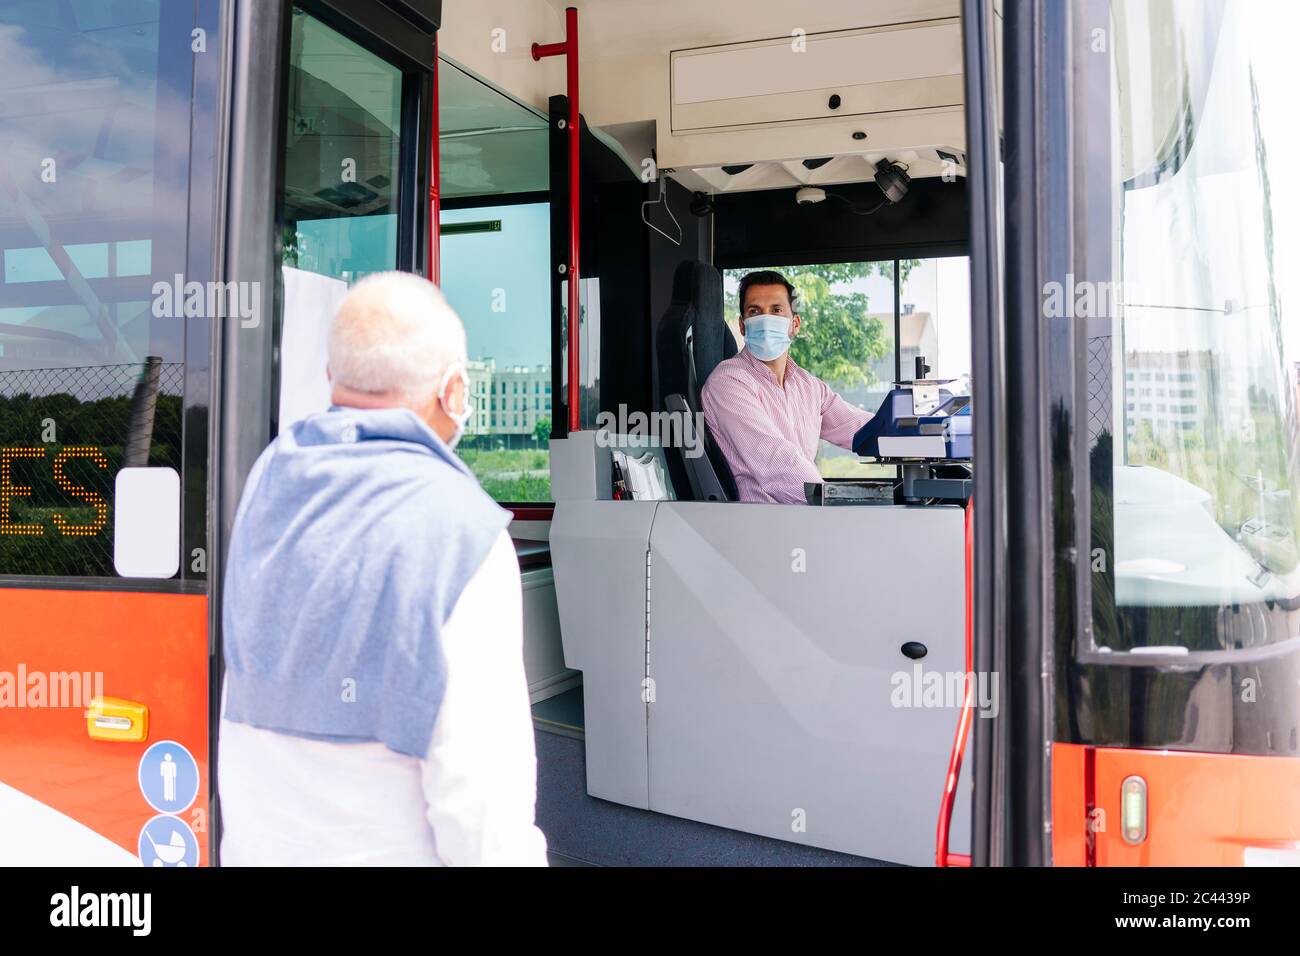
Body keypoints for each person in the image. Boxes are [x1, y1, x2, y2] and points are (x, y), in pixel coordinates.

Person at [217, 271, 547, 866]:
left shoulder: (265, 488)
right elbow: (482, 811)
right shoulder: (463, 535)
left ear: (330, 378)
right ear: (454, 393)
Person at [701, 269, 873, 504]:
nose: (765, 319)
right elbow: (778, 463)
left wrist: (921, 432)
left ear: (795, 324)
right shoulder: (728, 382)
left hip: (801, 518)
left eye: (776, 310)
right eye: (755, 311)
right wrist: (835, 504)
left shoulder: (809, 387)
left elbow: (860, 427)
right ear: (742, 326)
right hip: (762, 525)